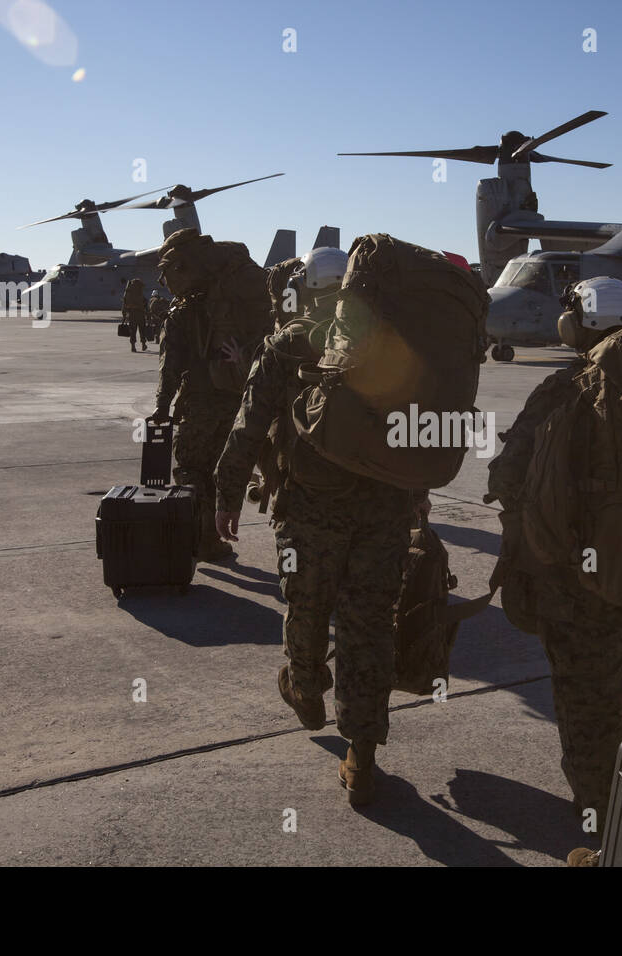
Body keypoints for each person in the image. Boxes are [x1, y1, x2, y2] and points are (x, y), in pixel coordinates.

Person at [214, 246, 424, 807]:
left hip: (310, 510)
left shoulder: (288, 343)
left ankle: (305, 686)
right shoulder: (390, 341)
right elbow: (414, 427)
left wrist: (228, 495)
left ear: (307, 287)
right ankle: (362, 756)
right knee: (368, 627)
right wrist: (418, 500)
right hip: (384, 511)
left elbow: (249, 423)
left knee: (306, 606)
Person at [486, 277, 622, 825]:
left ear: (579, 324)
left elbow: (506, 475)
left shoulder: (565, 389)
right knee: (610, 673)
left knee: (585, 706)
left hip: (578, 589)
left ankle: (601, 824)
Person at [149, 229, 270, 562]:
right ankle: (212, 537)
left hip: (199, 404)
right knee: (221, 469)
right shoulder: (228, 305)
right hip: (234, 401)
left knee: (191, 469)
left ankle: (197, 539)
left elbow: (170, 366)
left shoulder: (182, 313)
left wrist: (162, 406)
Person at [122, 277, 148, 352]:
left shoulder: (128, 295)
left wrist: (124, 315)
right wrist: (148, 316)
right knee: (142, 330)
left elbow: (124, 304)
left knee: (133, 331)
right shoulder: (140, 295)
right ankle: (143, 344)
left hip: (132, 315)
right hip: (141, 314)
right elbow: (145, 305)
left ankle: (133, 346)